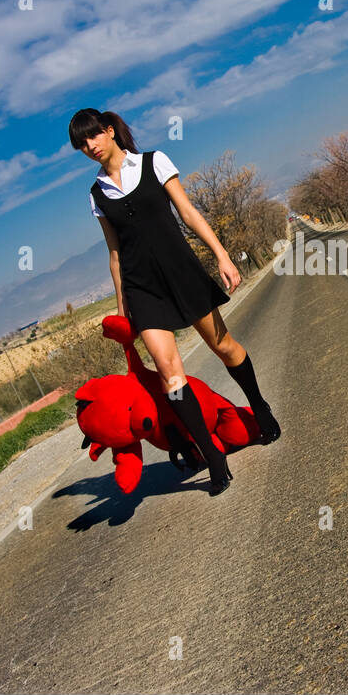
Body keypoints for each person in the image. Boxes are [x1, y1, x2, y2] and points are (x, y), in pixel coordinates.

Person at [69, 108, 281, 496]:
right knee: (170, 374)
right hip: (142, 288)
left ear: (110, 131)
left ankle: (260, 407)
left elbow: (187, 211)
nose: (89, 147)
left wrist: (221, 255)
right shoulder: (97, 194)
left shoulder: (154, 162)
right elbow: (114, 252)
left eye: (93, 137)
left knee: (223, 346)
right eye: (81, 144)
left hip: (181, 273)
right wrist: (122, 309)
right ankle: (213, 457)